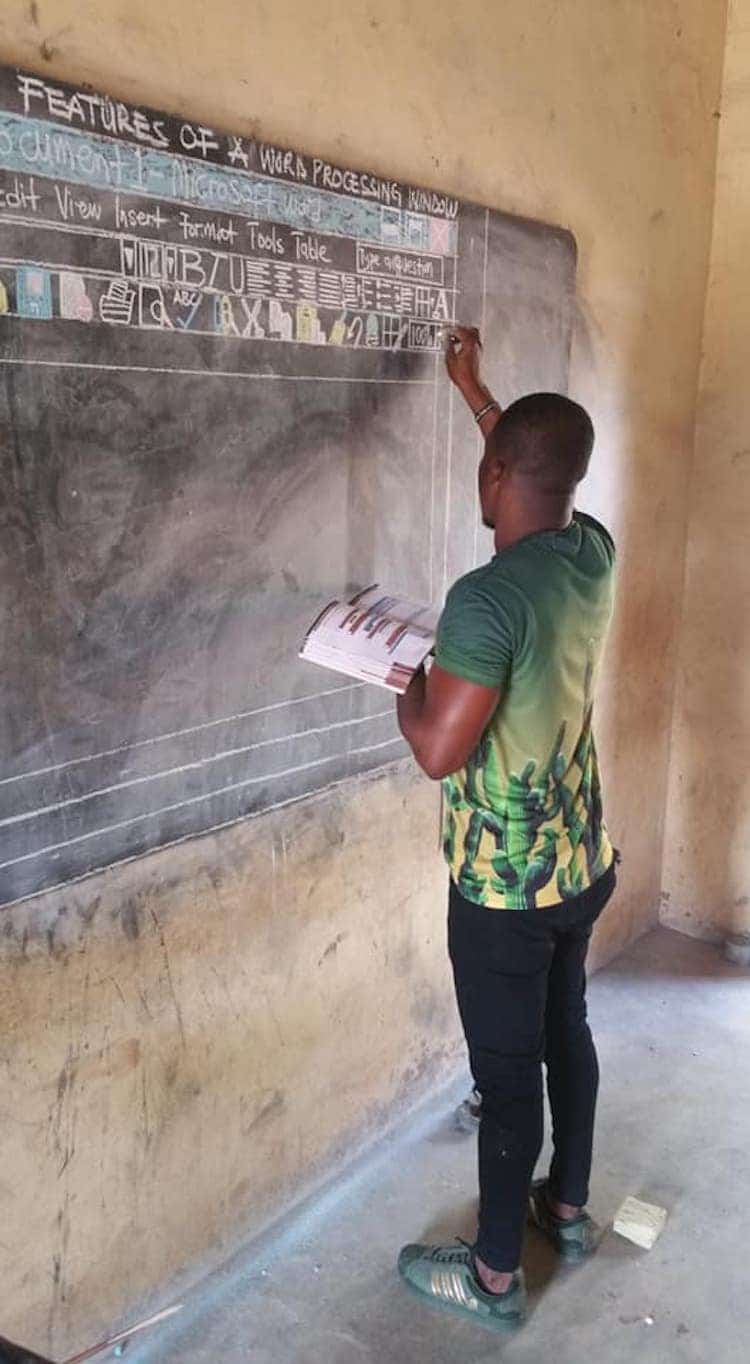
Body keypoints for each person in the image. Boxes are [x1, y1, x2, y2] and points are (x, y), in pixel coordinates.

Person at [395, 326, 617, 1333]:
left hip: (503, 891)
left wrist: (409, 684)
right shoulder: (591, 548)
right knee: (564, 1029)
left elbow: (440, 750)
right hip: (582, 862)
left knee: (506, 1069)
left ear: (493, 477)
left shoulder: (482, 603)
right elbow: (530, 458)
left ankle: (491, 1275)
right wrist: (474, 391)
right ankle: (563, 1209)